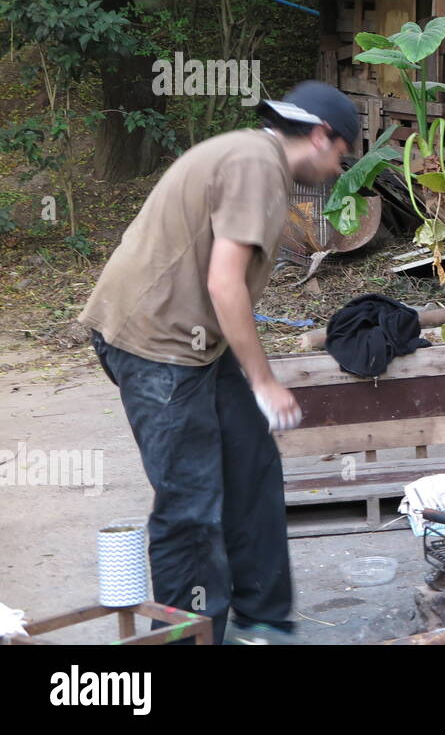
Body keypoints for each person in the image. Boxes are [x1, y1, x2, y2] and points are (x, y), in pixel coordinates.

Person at [79, 81, 359, 644]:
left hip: (196, 343)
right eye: (342, 157)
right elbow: (225, 281)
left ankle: (263, 625)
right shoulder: (258, 164)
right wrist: (263, 381)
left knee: (250, 466)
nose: (338, 171)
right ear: (323, 136)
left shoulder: (257, 160)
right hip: (155, 345)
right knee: (192, 506)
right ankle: (192, 639)